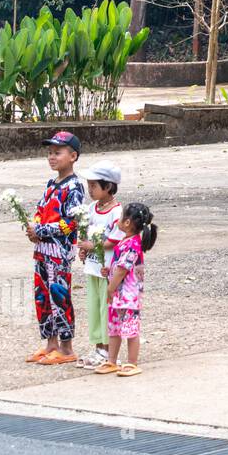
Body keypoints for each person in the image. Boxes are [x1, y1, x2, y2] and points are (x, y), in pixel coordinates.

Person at [26, 131, 86, 365]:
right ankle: (50, 343)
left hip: (59, 253)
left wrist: (41, 231)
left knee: (59, 296)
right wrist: (33, 227)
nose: (52, 157)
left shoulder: (74, 187)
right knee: (42, 297)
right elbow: (41, 210)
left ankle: (66, 347)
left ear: (73, 156)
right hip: (42, 251)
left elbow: (72, 221)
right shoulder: (51, 184)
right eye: (49, 153)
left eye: (57, 153)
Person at [95, 202, 157, 377]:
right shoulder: (125, 241)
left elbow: (123, 269)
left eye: (121, 218)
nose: (118, 221)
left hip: (128, 295)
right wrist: (109, 270)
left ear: (128, 222)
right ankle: (112, 361)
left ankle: (132, 362)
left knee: (131, 329)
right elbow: (118, 266)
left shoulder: (133, 244)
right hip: (118, 295)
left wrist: (110, 288)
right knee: (114, 328)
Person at [76, 163, 124, 370]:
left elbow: (113, 241)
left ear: (108, 187)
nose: (90, 189)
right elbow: (86, 233)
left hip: (108, 270)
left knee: (107, 309)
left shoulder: (117, 212)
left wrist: (91, 245)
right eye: (89, 185)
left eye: (94, 185)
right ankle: (98, 347)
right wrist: (84, 248)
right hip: (93, 268)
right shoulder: (91, 208)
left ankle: (107, 350)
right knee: (94, 308)